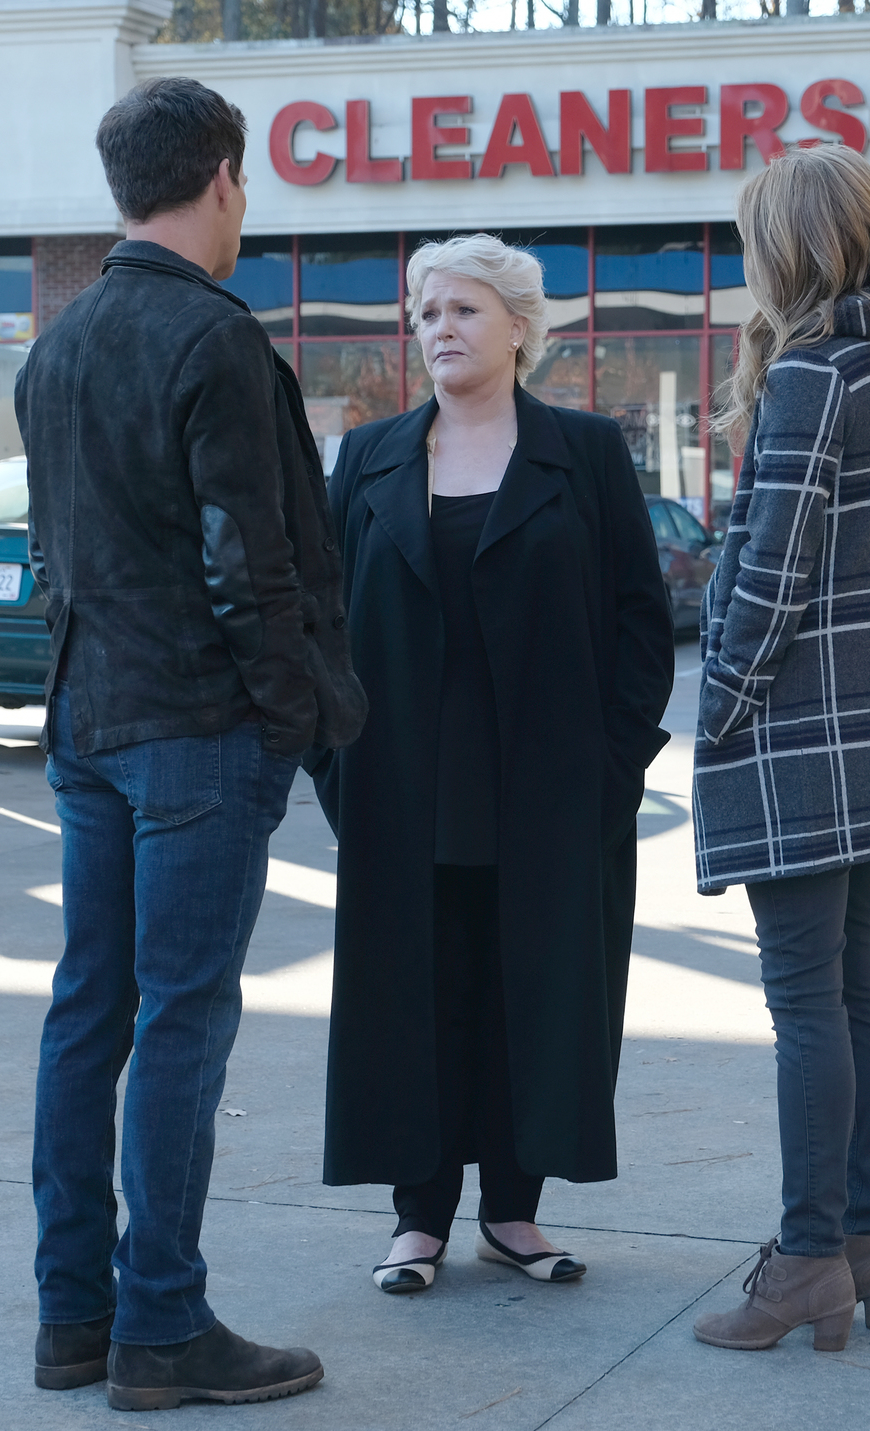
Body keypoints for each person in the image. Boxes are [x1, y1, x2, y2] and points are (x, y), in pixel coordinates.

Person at [14, 77, 365, 1411]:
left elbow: (62, 552)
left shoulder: (58, 346)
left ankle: (74, 1317)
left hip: (87, 718)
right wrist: (297, 722)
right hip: (191, 732)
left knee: (87, 1011)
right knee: (179, 1019)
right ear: (223, 176)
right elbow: (252, 560)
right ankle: (160, 1321)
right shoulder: (216, 340)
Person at [313, 234, 674, 1296]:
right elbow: (320, 627)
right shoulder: (371, 457)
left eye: (463, 311)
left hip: (554, 796)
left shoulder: (587, 453)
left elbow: (641, 625)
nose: (440, 331)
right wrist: (334, 771)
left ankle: (514, 1215)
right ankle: (417, 1221)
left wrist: (614, 770)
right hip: (398, 794)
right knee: (417, 997)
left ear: (520, 326)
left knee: (535, 997)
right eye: (426, 314)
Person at [689, 144, 870, 1354]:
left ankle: (806, 1258)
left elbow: (772, 576)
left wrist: (719, 701)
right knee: (859, 986)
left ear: (788, 247)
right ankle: (866, 1241)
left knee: (808, 1002)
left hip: (799, 732)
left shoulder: (809, 376)